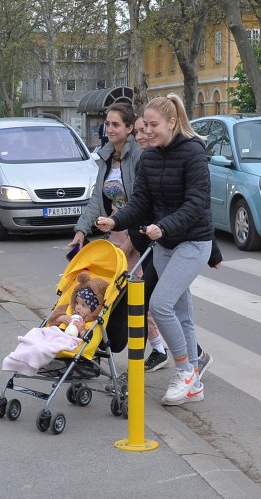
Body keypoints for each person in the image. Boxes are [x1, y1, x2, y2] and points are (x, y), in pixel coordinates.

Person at [96, 93, 214, 406]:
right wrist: (115, 220)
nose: (146, 131)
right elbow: (140, 204)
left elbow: (197, 203)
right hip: (164, 242)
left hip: (193, 241)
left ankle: (185, 371)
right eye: (144, 125)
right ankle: (194, 385)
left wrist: (164, 226)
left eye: (153, 125)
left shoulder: (193, 153)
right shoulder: (149, 158)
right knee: (181, 313)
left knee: (160, 305)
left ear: (172, 123)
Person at [68, 104, 169, 371]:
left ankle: (161, 349)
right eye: (107, 124)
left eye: (116, 125)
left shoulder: (139, 156)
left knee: (137, 297)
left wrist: (131, 241)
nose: (110, 129)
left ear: (128, 128)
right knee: (108, 294)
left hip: (137, 234)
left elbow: (142, 204)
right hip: (114, 233)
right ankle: (94, 349)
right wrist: (81, 230)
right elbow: (96, 199)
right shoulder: (105, 157)